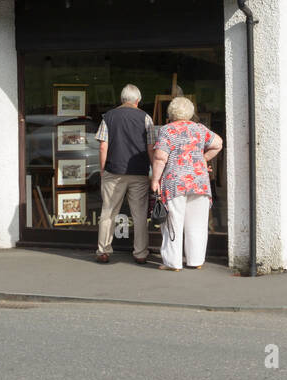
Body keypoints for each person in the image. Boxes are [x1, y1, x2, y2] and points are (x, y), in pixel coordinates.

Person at [150, 97, 222, 271]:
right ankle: (196, 260)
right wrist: (202, 160)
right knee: (197, 224)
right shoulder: (199, 129)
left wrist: (154, 180)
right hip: (199, 182)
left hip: (176, 182)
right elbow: (218, 143)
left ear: (171, 113)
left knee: (173, 223)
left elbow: (160, 157)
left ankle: (173, 263)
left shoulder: (167, 130)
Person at [94, 84, 155, 264]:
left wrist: (103, 169)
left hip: (114, 171)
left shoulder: (109, 117)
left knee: (108, 212)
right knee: (140, 214)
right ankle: (141, 253)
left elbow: (103, 146)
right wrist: (155, 172)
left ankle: (103, 250)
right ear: (138, 100)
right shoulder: (146, 117)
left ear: (122, 99)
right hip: (139, 172)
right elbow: (151, 147)